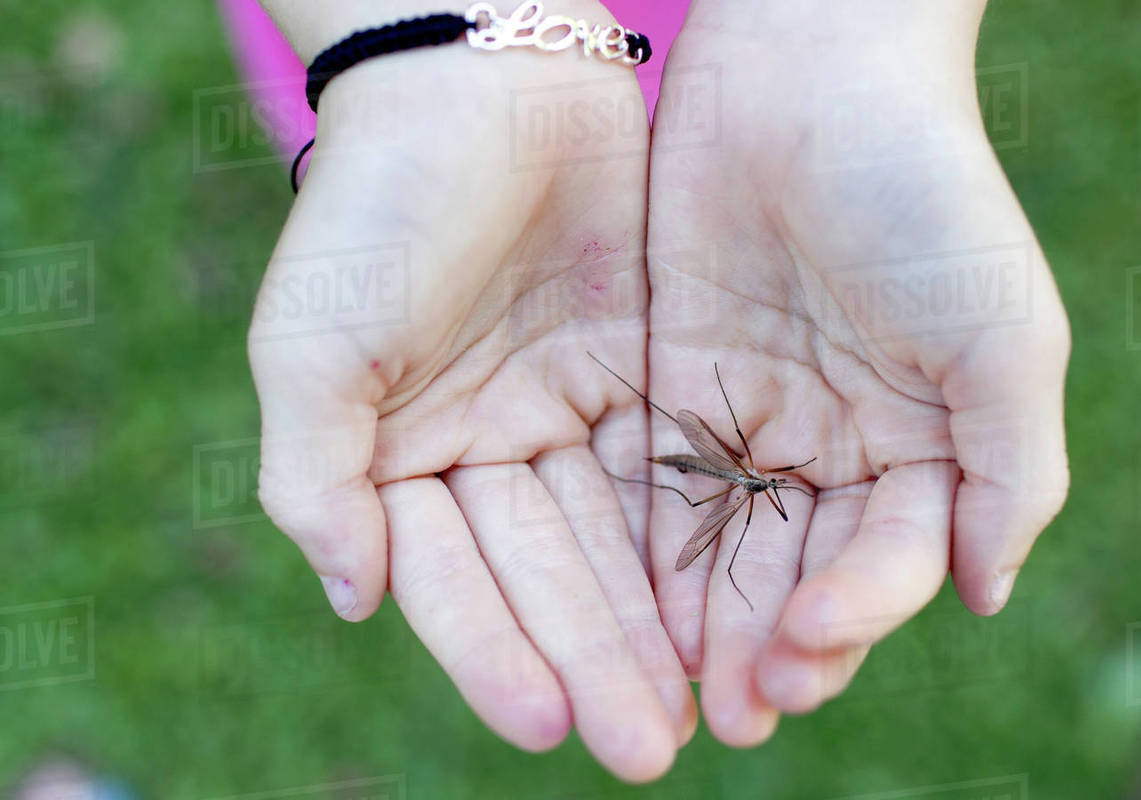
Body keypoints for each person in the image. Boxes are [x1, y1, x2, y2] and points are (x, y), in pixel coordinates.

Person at [241, 0, 1070, 782]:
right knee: (641, 409)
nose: (766, 487)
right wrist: (410, 67)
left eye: (768, 486)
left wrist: (847, 35)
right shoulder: (746, 474)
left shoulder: (749, 483)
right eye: (768, 484)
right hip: (447, 46)